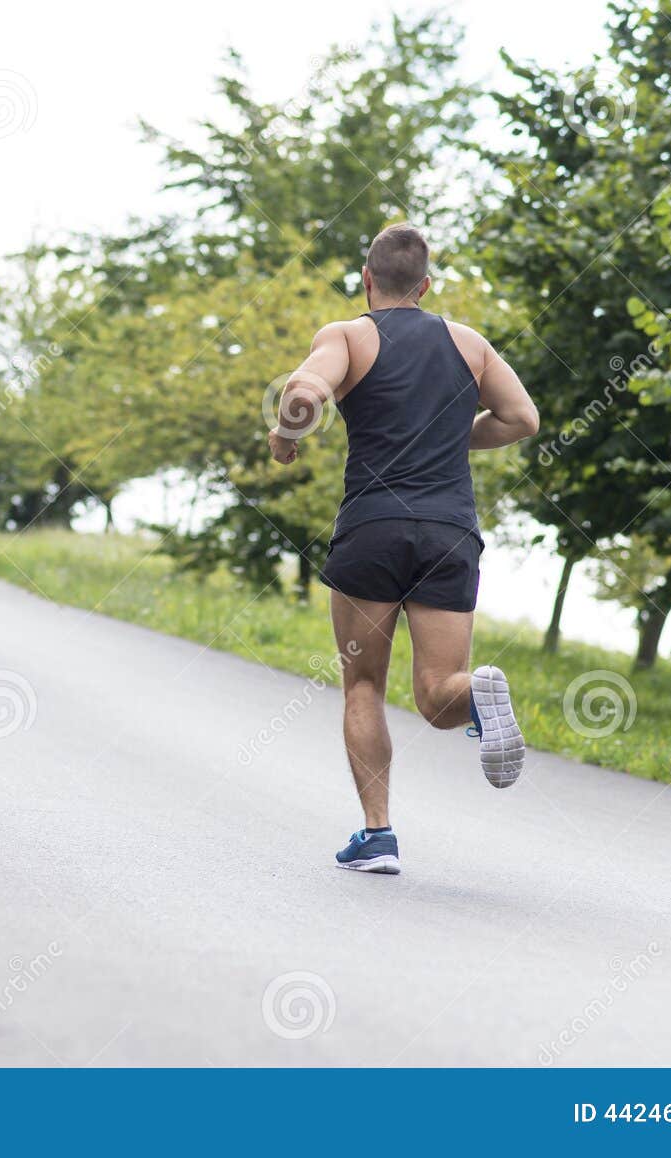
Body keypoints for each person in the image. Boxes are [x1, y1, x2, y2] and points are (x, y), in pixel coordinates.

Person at [268, 223, 540, 875]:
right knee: (434, 693)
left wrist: (285, 434)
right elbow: (522, 420)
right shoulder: (469, 344)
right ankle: (475, 692)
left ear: (366, 280)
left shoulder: (348, 336)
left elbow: (306, 392)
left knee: (363, 683)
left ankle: (378, 835)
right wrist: (448, 440)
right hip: (450, 532)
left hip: (373, 529)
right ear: (425, 286)